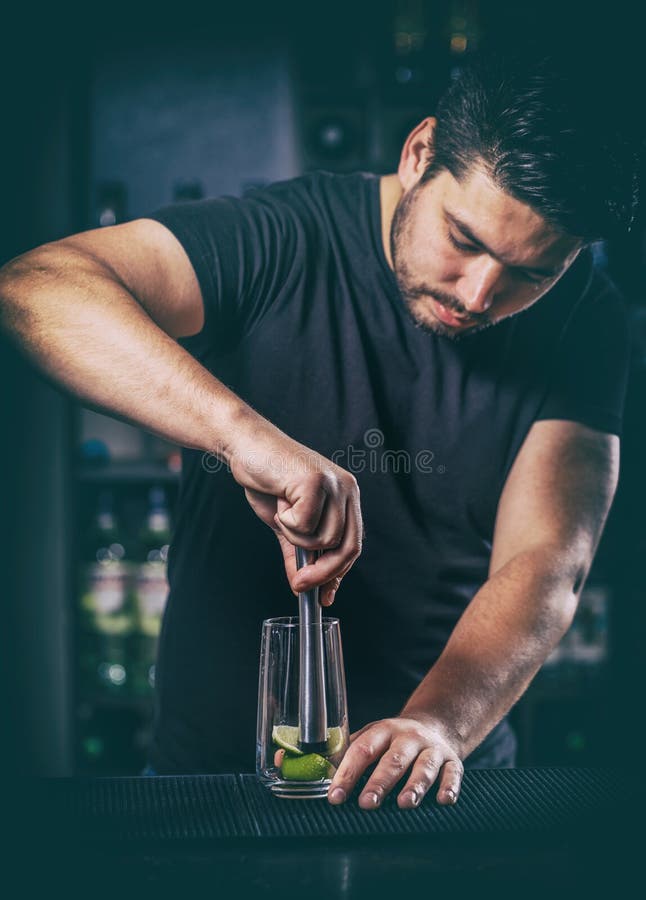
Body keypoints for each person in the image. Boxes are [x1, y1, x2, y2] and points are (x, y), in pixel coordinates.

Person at [0, 51, 638, 810]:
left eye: (532, 274)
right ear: (420, 152)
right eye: (464, 239)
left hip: (441, 779)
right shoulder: (278, 239)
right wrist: (243, 435)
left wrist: (434, 726)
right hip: (216, 782)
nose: (478, 295)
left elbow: (545, 562)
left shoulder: (585, 318)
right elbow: (35, 290)